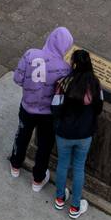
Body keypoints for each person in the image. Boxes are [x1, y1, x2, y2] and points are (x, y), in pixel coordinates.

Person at [8, 26, 73, 191]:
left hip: (27, 108)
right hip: (48, 114)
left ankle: (15, 165)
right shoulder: (65, 68)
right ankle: (37, 179)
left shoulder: (31, 54)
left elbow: (17, 78)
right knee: (45, 145)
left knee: (22, 135)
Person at [52, 49, 103, 219]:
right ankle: (75, 207)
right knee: (79, 168)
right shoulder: (95, 84)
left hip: (64, 133)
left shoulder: (64, 83)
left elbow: (55, 108)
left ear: (74, 64)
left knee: (62, 164)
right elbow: (99, 109)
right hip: (84, 134)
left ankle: (59, 198)